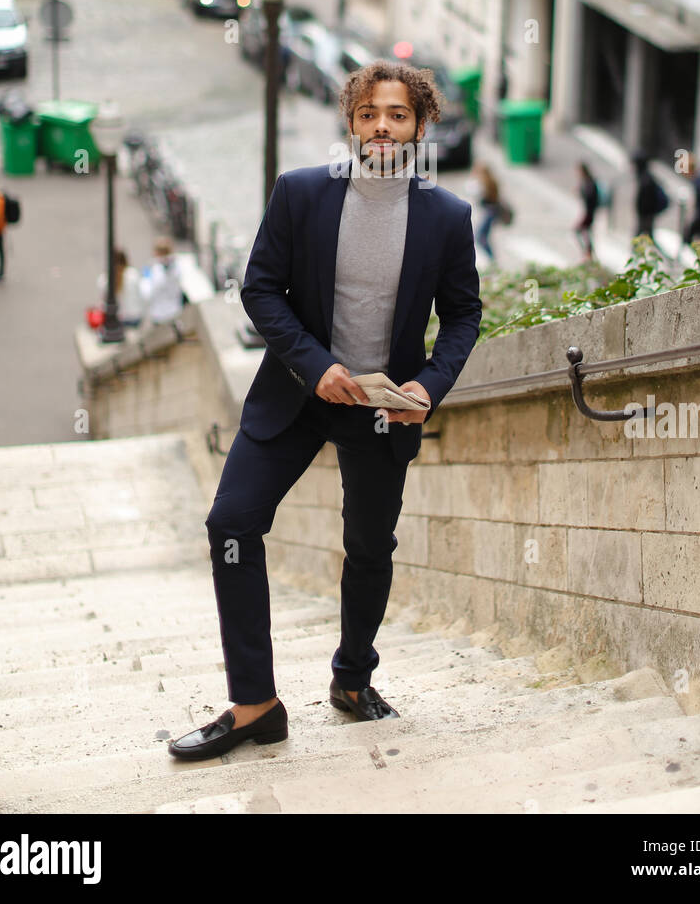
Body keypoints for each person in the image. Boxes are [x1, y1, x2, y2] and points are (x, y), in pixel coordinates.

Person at [168, 60, 482, 760]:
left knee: (370, 549)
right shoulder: (302, 193)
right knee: (231, 523)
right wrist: (317, 368)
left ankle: (351, 679)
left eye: (397, 114)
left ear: (420, 126)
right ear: (350, 121)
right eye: (369, 112)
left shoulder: (446, 217)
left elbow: (463, 317)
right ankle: (255, 705)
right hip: (298, 395)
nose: (381, 126)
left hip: (382, 411)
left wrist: (429, 386)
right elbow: (260, 291)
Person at [139, 236, 184, 324]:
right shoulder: (178, 265)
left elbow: (147, 294)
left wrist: (145, 279)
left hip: (159, 314)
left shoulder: (155, 269)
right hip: (174, 311)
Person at [96, 248, 144, 328]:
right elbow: (143, 294)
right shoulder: (133, 274)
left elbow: (102, 300)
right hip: (134, 316)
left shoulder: (105, 278)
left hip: (117, 318)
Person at [632, 152, 668, 242]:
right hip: (647, 214)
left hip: (646, 214)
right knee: (646, 236)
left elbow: (646, 199)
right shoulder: (646, 177)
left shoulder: (645, 180)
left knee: (643, 236)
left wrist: (643, 211)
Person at [470, 162, 502, 263]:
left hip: (489, 213)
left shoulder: (488, 184)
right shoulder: (489, 182)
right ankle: (491, 259)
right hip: (489, 212)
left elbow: (487, 199)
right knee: (482, 236)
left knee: (481, 236)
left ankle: (491, 259)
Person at [575, 163, 599, 261]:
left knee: (581, 230)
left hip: (589, 212)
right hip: (589, 211)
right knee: (585, 231)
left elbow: (590, 196)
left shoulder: (589, 182)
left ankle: (588, 252)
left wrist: (581, 192)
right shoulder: (589, 181)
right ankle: (588, 251)